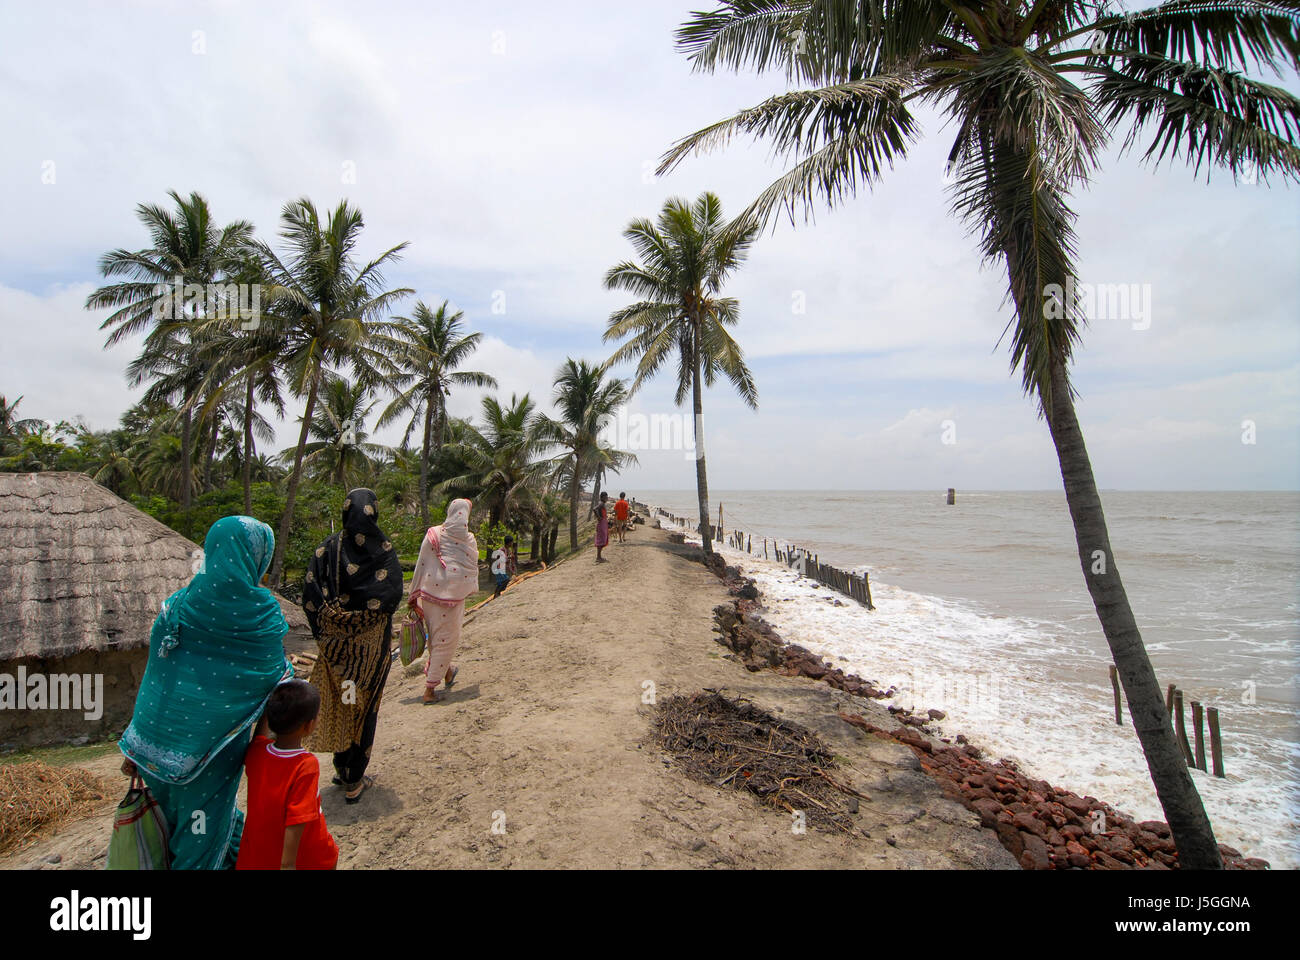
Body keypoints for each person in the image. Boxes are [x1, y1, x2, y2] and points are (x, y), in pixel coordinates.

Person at [118, 515, 292, 870]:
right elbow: (274, 678)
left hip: (150, 743)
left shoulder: (176, 605)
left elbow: (156, 675)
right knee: (197, 844)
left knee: (188, 826)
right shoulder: (260, 615)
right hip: (207, 758)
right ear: (256, 557)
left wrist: (134, 745)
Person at [301, 488, 403, 804]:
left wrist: (333, 626)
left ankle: (342, 766)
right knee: (363, 707)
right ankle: (354, 777)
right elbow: (390, 599)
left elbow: (310, 598)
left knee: (343, 701)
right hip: (370, 655)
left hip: (336, 654)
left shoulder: (325, 550)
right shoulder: (383, 551)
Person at [237, 680, 339, 871]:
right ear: (308, 726)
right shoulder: (305, 765)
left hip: (257, 855)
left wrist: (268, 708)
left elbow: (261, 734)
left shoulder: (258, 752)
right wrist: (287, 864)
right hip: (305, 857)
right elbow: (297, 819)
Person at [409, 498, 479, 704]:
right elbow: (470, 567)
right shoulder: (469, 539)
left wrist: (414, 593)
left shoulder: (434, 534)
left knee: (437, 638)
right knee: (446, 640)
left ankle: (447, 672)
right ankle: (430, 690)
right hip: (453, 598)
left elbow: (421, 565)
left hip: (430, 595)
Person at [594, 491, 610, 561]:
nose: (607, 498)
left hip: (603, 523)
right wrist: (599, 517)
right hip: (602, 523)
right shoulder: (601, 504)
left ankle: (599, 556)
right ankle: (598, 557)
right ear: (603, 497)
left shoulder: (602, 504)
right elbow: (594, 509)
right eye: (606, 497)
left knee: (602, 539)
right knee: (601, 539)